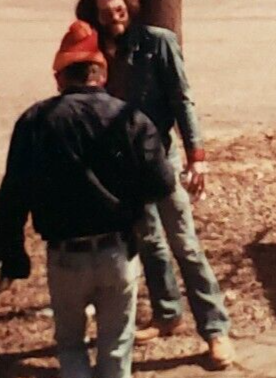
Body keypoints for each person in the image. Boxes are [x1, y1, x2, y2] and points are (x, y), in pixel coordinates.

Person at [75, 0, 235, 370]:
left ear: (129, 4)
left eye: (119, 9)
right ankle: (167, 314)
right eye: (106, 12)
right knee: (149, 241)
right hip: (121, 167)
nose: (115, 17)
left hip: (160, 159)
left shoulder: (158, 43)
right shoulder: (93, 51)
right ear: (93, 14)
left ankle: (215, 330)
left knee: (185, 244)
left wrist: (197, 155)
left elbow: (182, 100)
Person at [0, 21, 176, 378]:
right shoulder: (130, 119)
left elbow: (12, 198)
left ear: (60, 77)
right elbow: (161, 182)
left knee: (70, 345)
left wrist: (14, 256)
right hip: (117, 253)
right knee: (115, 345)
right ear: (101, 75)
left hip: (65, 256)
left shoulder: (35, 121)